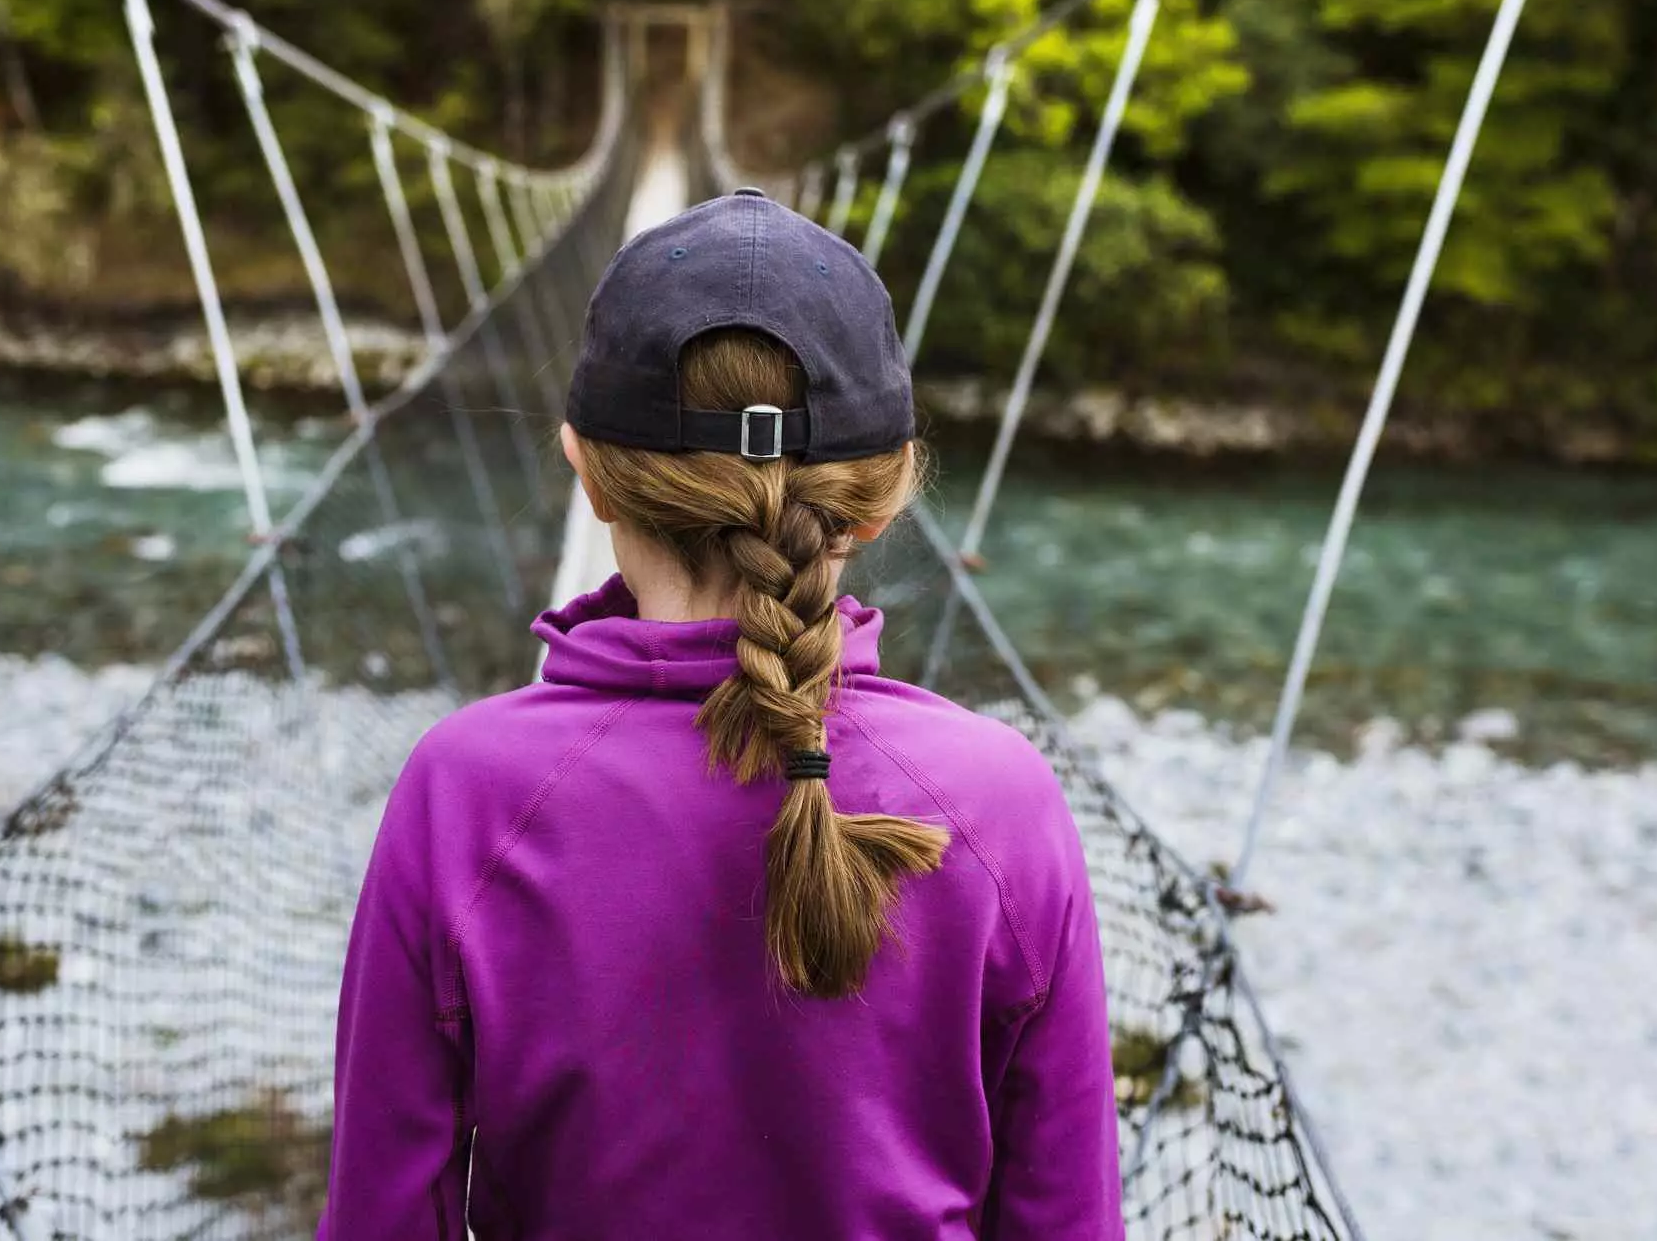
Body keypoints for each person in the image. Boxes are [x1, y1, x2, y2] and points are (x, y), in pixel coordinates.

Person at [318, 191, 1123, 1240]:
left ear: (589, 475)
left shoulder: (466, 791)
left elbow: (384, 1215)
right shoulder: (999, 800)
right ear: (881, 507)